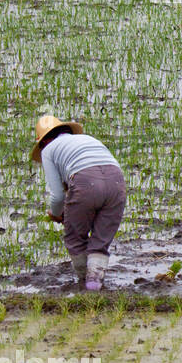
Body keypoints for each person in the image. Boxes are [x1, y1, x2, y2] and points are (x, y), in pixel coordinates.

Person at [33, 114, 126, 291]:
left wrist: (56, 214)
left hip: (85, 182)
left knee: (74, 237)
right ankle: (95, 283)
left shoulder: (48, 150)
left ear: (43, 142)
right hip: (117, 182)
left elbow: (58, 196)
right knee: (100, 239)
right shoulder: (87, 139)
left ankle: (85, 283)